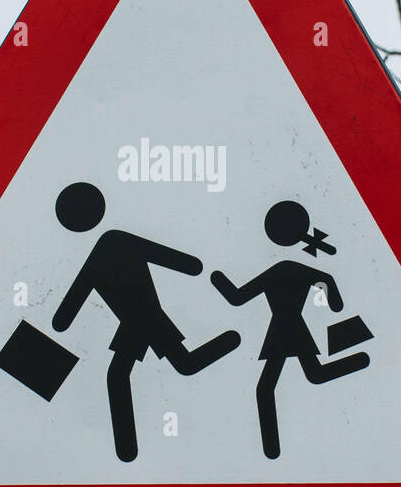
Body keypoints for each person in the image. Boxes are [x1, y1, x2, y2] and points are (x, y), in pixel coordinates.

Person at [52, 182, 240, 462]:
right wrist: (192, 266)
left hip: (146, 317)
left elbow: (65, 315)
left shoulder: (107, 247)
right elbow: (183, 262)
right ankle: (230, 340)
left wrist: (62, 320)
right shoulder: (114, 242)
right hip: (138, 320)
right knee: (147, 371)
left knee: (137, 373)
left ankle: (230, 340)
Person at [211, 200, 369, 459]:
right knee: (311, 375)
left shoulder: (281, 269)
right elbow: (326, 280)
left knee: (267, 388)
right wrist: (335, 303)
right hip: (289, 327)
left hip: (284, 328)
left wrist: (218, 279)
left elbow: (238, 297)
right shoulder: (292, 268)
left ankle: (271, 450)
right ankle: (358, 361)